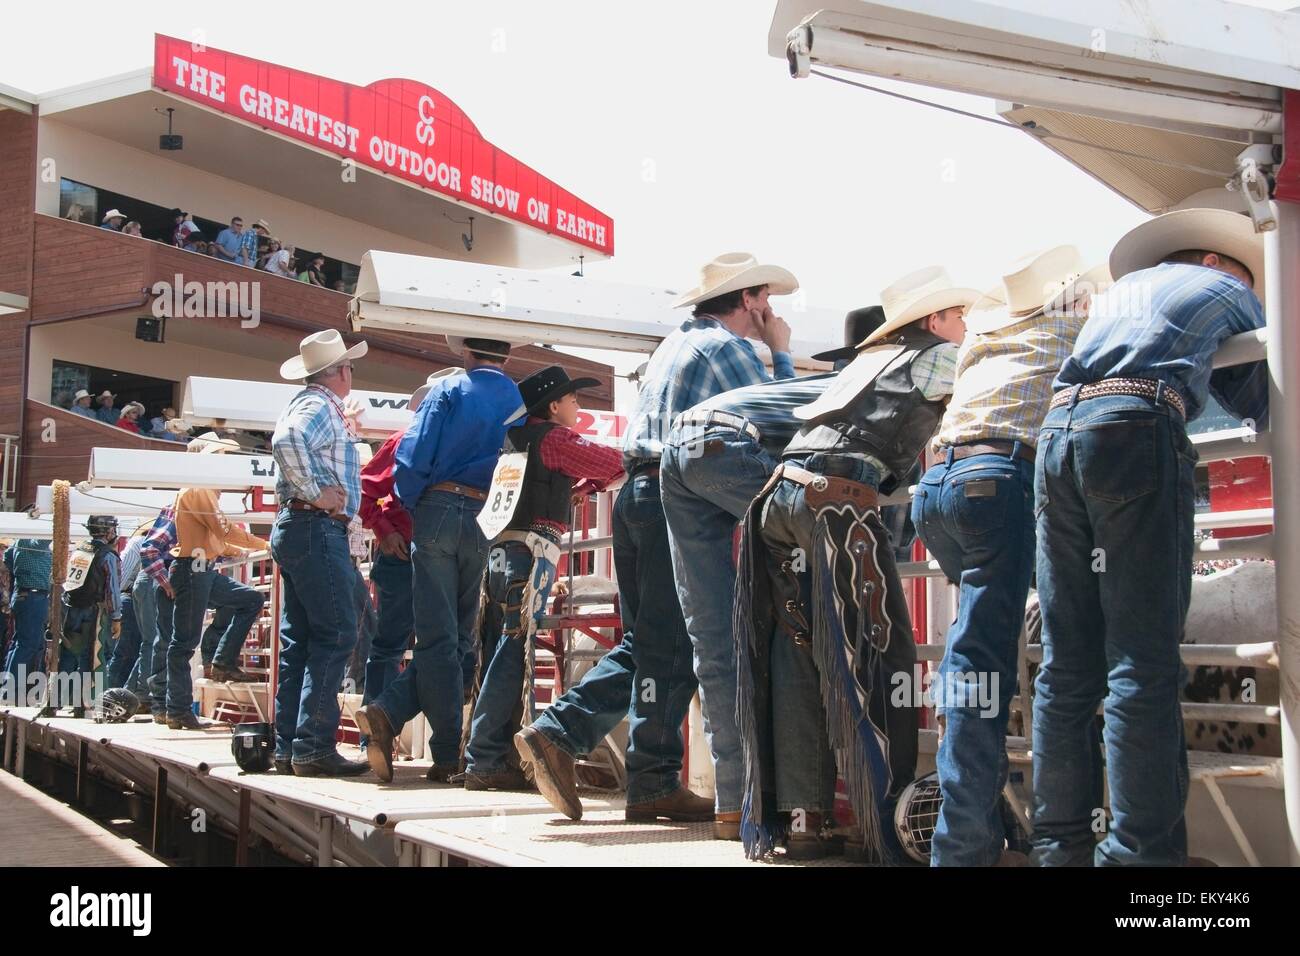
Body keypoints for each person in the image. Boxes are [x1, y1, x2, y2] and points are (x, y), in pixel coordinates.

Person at [515, 252, 797, 826]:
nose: (770, 308)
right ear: (747, 300)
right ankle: (572, 736)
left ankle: (648, 777)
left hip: (635, 492)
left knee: (655, 638)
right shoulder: (729, 348)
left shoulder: (674, 344)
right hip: (679, 496)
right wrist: (783, 352)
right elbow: (781, 420)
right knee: (676, 639)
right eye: (765, 297)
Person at [1031, 208, 1268, 867]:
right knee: (1141, 657)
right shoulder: (1230, 291)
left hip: (1056, 435)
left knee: (1067, 662)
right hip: (1135, 425)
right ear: (1220, 263)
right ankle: (1139, 858)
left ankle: (1058, 849)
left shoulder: (1120, 295)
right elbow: (1263, 400)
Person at [736, 265, 973, 861]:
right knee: (878, 650)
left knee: (793, 655)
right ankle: (890, 824)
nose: (966, 326)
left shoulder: (866, 364)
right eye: (958, 315)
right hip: (834, 501)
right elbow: (978, 408)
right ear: (933, 320)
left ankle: (801, 817)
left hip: (777, 500)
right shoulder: (937, 359)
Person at [658, 306, 882, 838]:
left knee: (713, 638)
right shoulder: (870, 396)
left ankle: (734, 805)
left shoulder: (808, 388)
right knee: (798, 617)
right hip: (728, 446)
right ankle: (799, 808)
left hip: (682, 448)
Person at [914, 247, 1102, 866]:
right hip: (1001, 480)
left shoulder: (988, 337)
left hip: (939, 485)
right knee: (982, 663)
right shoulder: (1076, 326)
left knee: (973, 648)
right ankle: (965, 845)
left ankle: (976, 826)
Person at [355, 338, 525, 783]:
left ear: (466, 353)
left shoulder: (449, 391)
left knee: (436, 639)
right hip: (486, 513)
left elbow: (412, 455)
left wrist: (415, 504)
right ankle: (428, 739)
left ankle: (420, 733)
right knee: (459, 639)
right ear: (506, 356)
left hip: (438, 508)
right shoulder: (515, 398)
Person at [462, 365, 624, 791]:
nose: (578, 406)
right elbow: (612, 462)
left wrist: (579, 486)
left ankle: (486, 754)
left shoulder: (517, 439)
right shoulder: (556, 438)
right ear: (554, 405)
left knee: (498, 643)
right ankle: (485, 758)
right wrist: (589, 484)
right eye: (572, 399)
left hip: (501, 550)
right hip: (531, 552)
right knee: (512, 648)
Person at [270, 329, 370, 776]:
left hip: (300, 527)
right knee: (335, 635)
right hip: (315, 527)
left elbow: (289, 442)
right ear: (340, 372)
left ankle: (289, 744)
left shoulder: (313, 406)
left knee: (302, 639)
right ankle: (311, 745)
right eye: (349, 367)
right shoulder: (318, 408)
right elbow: (286, 440)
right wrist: (318, 493)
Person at [353, 371, 452, 748]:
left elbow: (364, 491)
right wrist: (384, 529)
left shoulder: (406, 442)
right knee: (406, 642)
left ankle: (379, 728)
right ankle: (382, 733)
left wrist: (383, 527)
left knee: (397, 644)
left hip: (409, 552)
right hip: (410, 554)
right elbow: (364, 489)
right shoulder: (403, 443)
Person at [166, 433, 269, 729]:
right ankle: (179, 707)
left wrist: (248, 546)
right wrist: (261, 545)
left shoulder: (200, 490)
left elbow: (219, 537)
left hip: (199, 568)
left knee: (250, 599)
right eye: (223, 457)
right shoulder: (200, 489)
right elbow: (223, 531)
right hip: (196, 569)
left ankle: (219, 663)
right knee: (184, 641)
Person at [55, 515, 122, 716]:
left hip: (72, 608)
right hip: (93, 610)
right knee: (90, 657)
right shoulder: (108, 555)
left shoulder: (80, 550)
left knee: (67, 654)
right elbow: (112, 589)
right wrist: (116, 616)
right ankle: (82, 703)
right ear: (109, 532)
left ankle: (55, 700)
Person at [3, 538, 52, 696]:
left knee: (20, 644)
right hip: (34, 595)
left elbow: (7, 558)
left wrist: (21, 574)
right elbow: (42, 541)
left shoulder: (19, 541)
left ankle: (9, 687)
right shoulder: (32, 539)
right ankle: (11, 690)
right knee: (28, 645)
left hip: (23, 593)